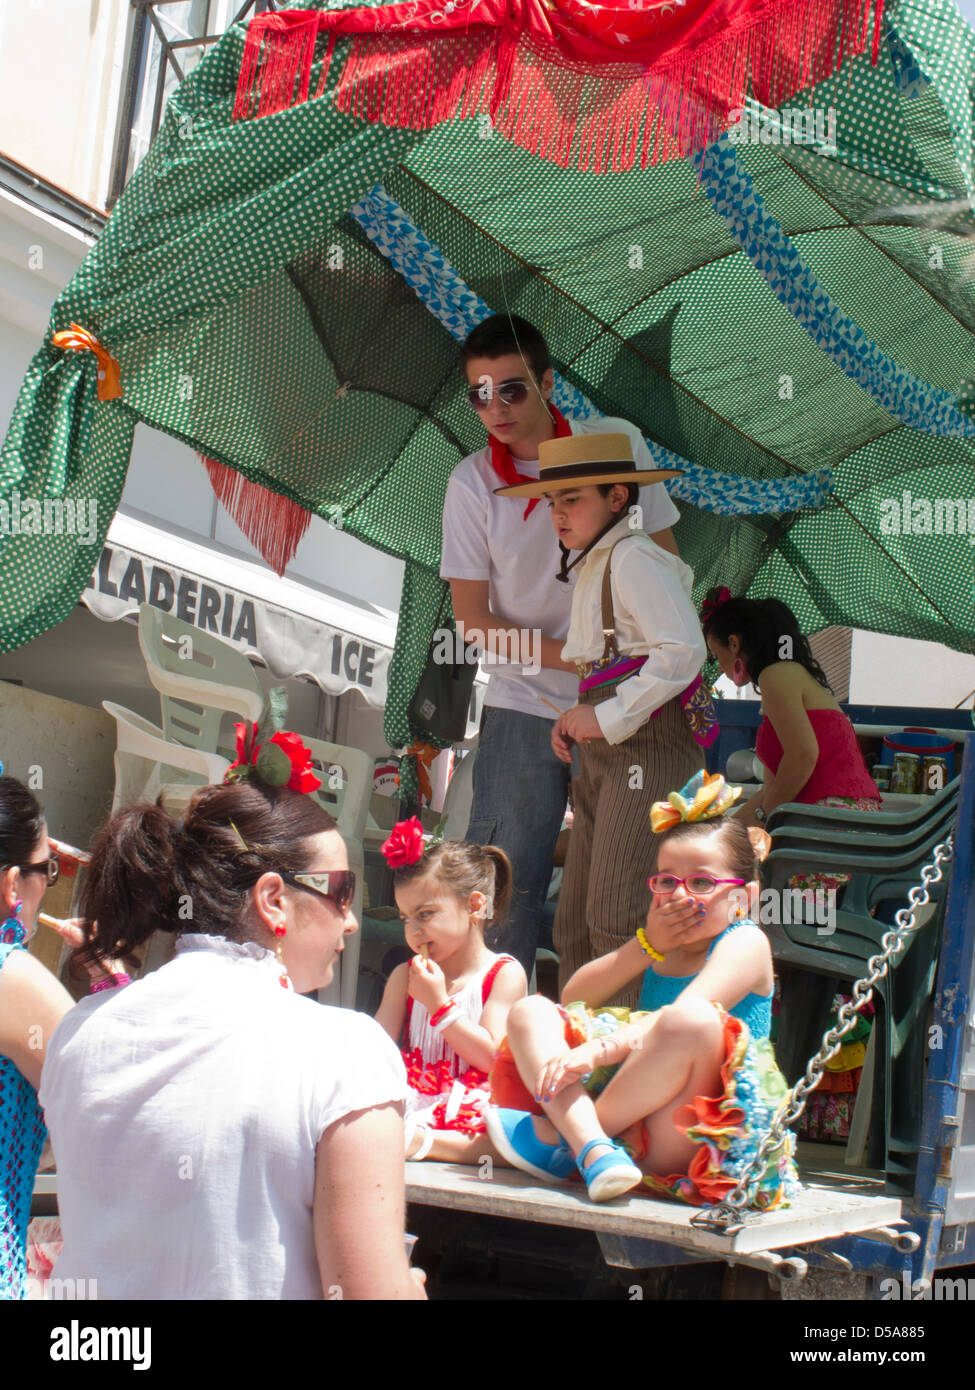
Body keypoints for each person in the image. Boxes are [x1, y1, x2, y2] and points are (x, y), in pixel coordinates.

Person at [39, 733, 425, 1301]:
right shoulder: (344, 1050)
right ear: (273, 899)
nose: (350, 922)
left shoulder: (79, 1030)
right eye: (341, 892)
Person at [441, 313, 682, 978]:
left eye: (512, 390)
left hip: (624, 705)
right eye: (479, 394)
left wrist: (625, 673)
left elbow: (666, 569)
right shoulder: (469, 485)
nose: (495, 408)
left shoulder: (615, 443)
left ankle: (600, 1063)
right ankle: (488, 1055)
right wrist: (577, 658)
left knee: (617, 900)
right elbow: (472, 621)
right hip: (524, 703)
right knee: (499, 890)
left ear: (548, 384)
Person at [486, 774, 799, 1209]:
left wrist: (600, 1051)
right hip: (635, 1129)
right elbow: (575, 997)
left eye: (703, 883)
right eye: (667, 881)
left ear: (745, 897)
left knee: (689, 1020)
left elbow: (685, 1015)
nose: (682, 896)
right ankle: (592, 1148)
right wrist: (646, 945)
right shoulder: (661, 947)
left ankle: (569, 1139)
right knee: (529, 1011)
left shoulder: (745, 942)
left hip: (700, 1139)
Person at [495, 432, 711, 998]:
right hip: (609, 750)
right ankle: (576, 1060)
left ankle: (615, 1071)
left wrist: (606, 716)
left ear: (619, 497)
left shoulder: (635, 555)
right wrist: (581, 717)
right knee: (573, 925)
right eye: (551, 502)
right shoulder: (600, 560)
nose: (558, 513)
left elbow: (684, 651)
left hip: (646, 750)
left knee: (617, 921)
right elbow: (617, 665)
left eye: (573, 498)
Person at [376, 817, 526, 1163]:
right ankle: (418, 1139)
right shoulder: (405, 976)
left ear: (474, 906)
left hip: (476, 1097)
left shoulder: (503, 974)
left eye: (425, 914)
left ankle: (426, 1144)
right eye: (404, 918)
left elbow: (491, 1058)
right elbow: (378, 1049)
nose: (413, 931)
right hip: (416, 1096)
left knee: (508, 1131)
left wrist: (440, 1007)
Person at [0, 775, 82, 1300]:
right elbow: (114, 1101)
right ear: (12, 884)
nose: (48, 883)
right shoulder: (12, 977)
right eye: (46, 869)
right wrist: (113, 979)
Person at [702, 588, 881, 827]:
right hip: (842, 818)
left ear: (733, 644)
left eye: (715, 656)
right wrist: (728, 832)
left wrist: (762, 816)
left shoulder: (775, 675)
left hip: (829, 821)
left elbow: (803, 756)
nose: (718, 668)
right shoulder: (788, 676)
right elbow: (772, 789)